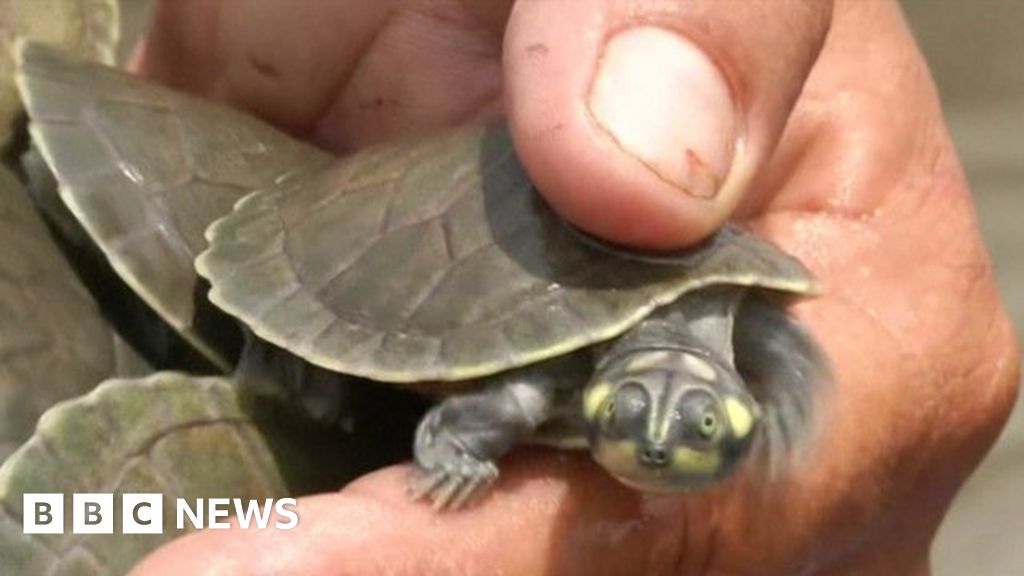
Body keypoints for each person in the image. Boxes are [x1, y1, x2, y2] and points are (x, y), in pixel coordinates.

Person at [129, 1, 1019, 574]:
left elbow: (793, 354)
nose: (657, 445)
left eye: (695, 430)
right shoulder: (543, 391)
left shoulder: (742, 325)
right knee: (470, 392)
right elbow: (497, 405)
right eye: (634, 415)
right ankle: (282, 351)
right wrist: (460, 445)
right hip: (372, 216)